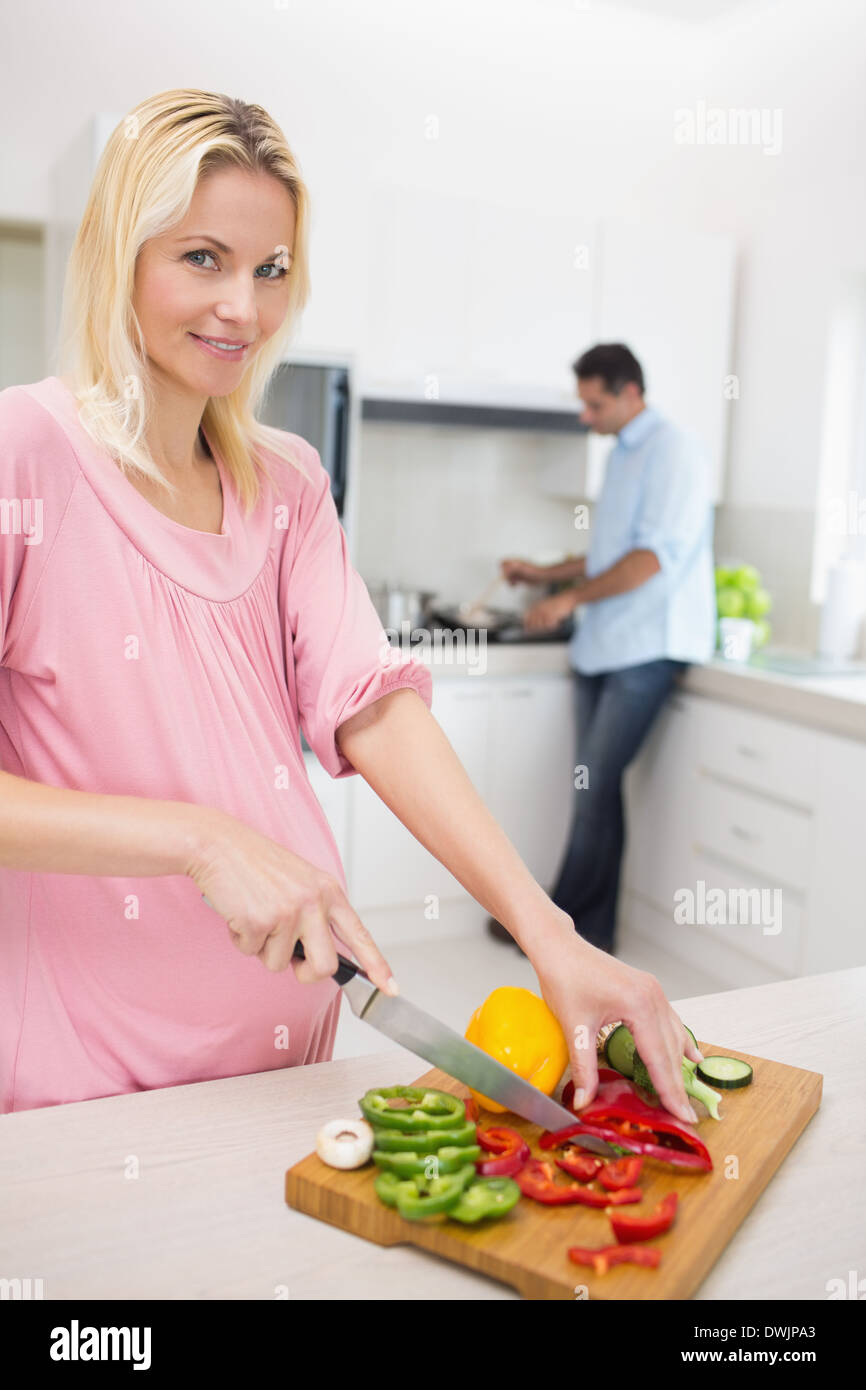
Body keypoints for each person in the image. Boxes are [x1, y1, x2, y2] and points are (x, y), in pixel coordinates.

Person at [0, 92, 701, 1125]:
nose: (243, 306)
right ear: (121, 252)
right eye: (202, 257)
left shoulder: (286, 481)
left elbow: (373, 706)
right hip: (90, 1074)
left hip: (295, 1044)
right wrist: (201, 841)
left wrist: (549, 933)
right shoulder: (25, 453)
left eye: (270, 268)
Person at [496, 343, 715, 955]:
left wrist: (569, 602)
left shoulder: (675, 452)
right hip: (607, 645)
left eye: (594, 404)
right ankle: (586, 933)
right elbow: (609, 551)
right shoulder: (623, 454)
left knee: (594, 787)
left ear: (629, 393)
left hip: (648, 647)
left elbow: (651, 559)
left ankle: (555, 929)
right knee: (595, 785)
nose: (585, 417)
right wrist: (542, 577)